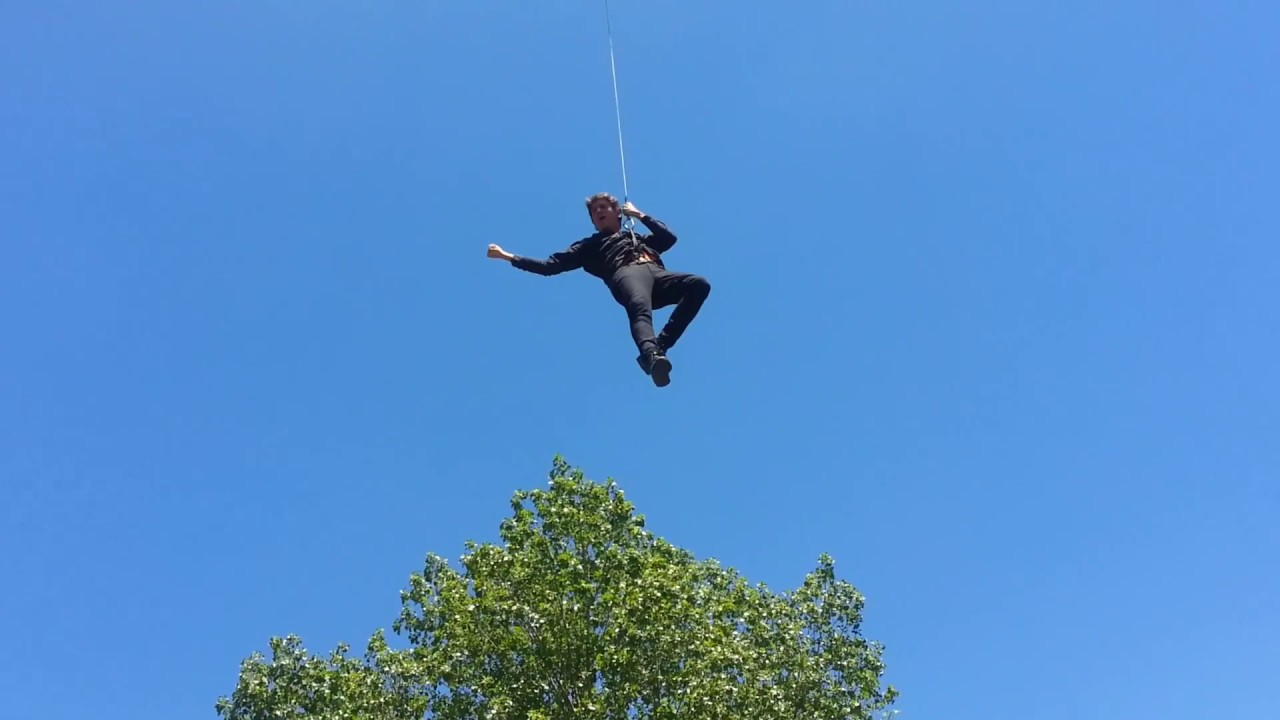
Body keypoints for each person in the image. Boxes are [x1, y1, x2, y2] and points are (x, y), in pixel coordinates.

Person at [486, 192, 710, 387]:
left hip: (657, 274)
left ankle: (660, 346)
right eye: (594, 211)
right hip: (626, 273)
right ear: (593, 222)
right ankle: (651, 355)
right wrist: (508, 256)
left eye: (604, 207)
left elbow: (669, 238)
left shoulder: (638, 238)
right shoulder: (589, 246)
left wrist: (640, 215)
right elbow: (549, 266)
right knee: (639, 308)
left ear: (618, 212)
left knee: (699, 285)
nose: (599, 211)